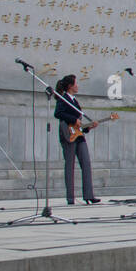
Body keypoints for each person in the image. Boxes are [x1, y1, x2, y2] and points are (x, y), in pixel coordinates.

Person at [55, 75, 100, 204]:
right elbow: (58, 113)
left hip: (79, 135)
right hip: (68, 135)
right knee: (70, 165)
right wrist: (73, 119)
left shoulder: (75, 101)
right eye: (76, 83)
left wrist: (88, 127)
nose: (78, 86)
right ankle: (70, 198)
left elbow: (79, 123)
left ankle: (89, 195)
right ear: (70, 86)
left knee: (86, 163)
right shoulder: (63, 99)